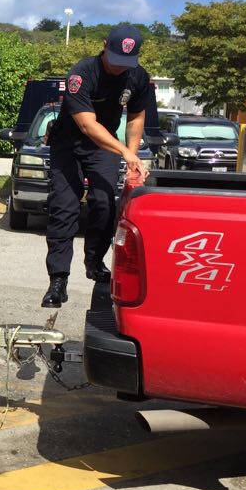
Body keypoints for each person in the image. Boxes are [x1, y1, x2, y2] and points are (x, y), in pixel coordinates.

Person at [42, 23, 153, 308]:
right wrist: (125, 153)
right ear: (105, 45)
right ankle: (58, 279)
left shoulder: (138, 77)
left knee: (104, 203)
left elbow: (136, 118)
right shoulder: (83, 73)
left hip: (103, 148)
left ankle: (94, 261)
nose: (119, 68)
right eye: (115, 60)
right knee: (64, 208)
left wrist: (132, 154)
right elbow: (88, 126)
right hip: (68, 145)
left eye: (125, 63)